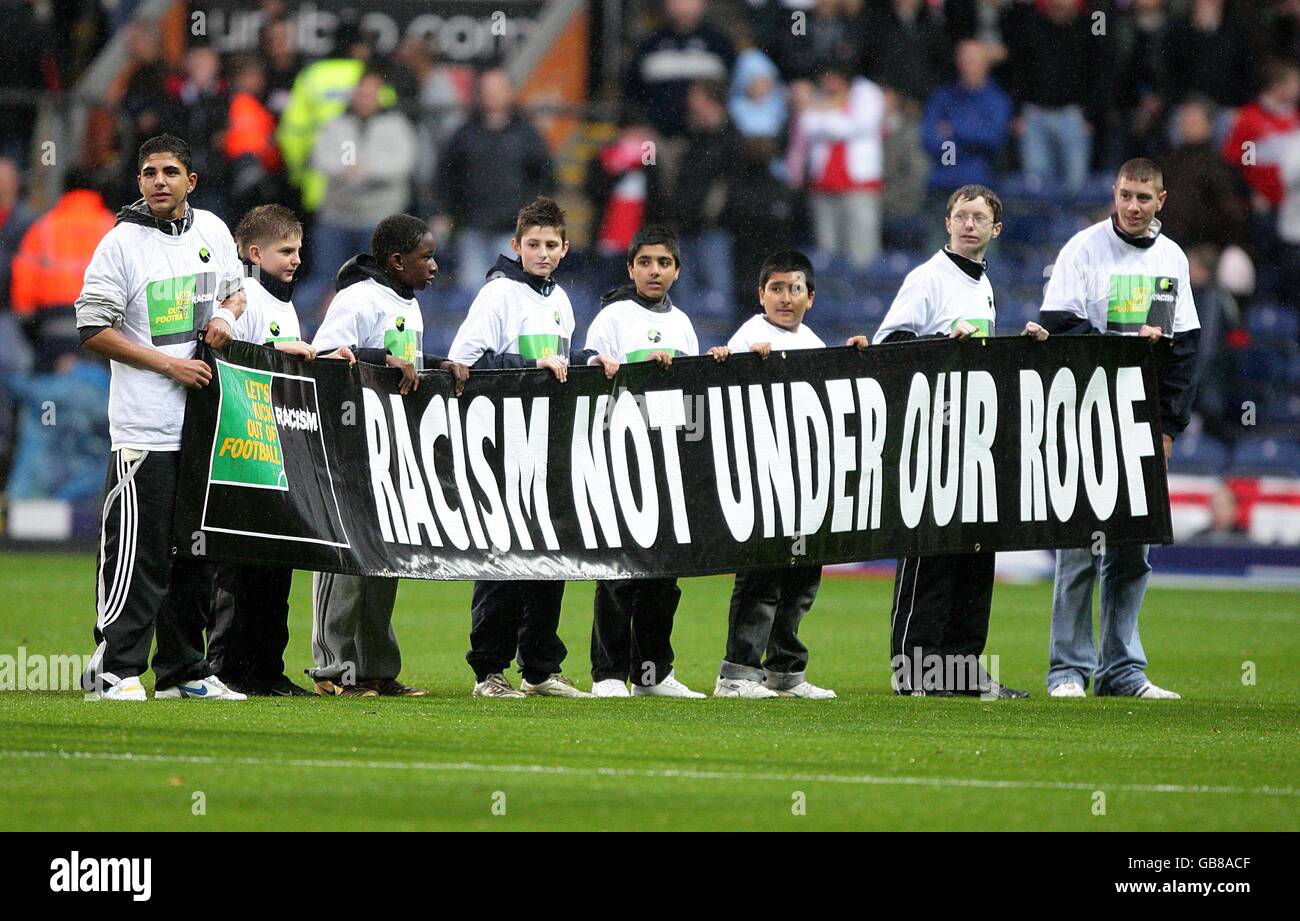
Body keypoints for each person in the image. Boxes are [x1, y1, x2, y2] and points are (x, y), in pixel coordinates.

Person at [74, 134, 247, 701]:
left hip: (202, 427)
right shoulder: (120, 244)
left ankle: (184, 671)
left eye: (170, 172)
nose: (158, 182)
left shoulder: (214, 231)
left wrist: (223, 314)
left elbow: (237, 293)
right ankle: (115, 670)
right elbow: (93, 329)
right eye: (148, 173)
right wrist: (169, 367)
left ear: (190, 181)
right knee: (138, 554)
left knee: (194, 555)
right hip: (145, 427)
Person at [1039, 159, 1200, 700]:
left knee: (1133, 553)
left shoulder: (1171, 257)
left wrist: (1169, 426)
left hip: (1140, 423)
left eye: (1144, 198)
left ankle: (1121, 671)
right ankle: (1067, 669)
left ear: (1162, 200)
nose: (1133, 207)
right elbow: (1058, 323)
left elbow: (1185, 352)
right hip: (1083, 416)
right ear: (1114, 193)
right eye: (1126, 195)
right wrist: (1129, 342)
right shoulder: (1082, 250)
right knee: (1079, 547)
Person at [874, 184, 1042, 698]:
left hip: (977, 441)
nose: (969, 224)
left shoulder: (983, 283)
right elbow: (888, 347)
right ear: (947, 223)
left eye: (979, 217)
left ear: (997, 229)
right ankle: (914, 672)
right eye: (961, 215)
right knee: (930, 555)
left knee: (973, 558)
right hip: (933, 441)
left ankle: (961, 669)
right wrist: (941, 345)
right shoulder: (927, 278)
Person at [448, 197, 617, 698]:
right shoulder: (499, 295)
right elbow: (463, 364)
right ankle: (489, 671)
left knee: (549, 557)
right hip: (503, 445)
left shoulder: (560, 300)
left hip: (547, 445)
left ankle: (540, 667)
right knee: (502, 559)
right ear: (516, 246)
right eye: (533, 244)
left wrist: (591, 361)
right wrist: (527, 370)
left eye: (551, 245)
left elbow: (558, 366)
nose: (542, 253)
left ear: (565, 249)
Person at [309, 214, 467, 698]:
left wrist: (439, 365)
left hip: (391, 448)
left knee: (385, 559)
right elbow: (322, 355)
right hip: (349, 447)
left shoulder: (408, 303)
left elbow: (404, 367)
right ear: (397, 261)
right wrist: (381, 359)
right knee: (348, 558)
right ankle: (333, 669)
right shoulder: (358, 298)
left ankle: (376, 669)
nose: (435, 266)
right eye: (426, 257)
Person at [709, 250, 867, 699]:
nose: (784, 297)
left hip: (805, 483)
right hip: (763, 481)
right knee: (762, 578)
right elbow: (720, 393)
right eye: (775, 288)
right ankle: (737, 673)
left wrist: (853, 359)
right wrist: (740, 363)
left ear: (810, 297)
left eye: (794, 288)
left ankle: (785, 672)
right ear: (761, 295)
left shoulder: (816, 346)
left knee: (800, 580)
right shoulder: (749, 337)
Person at [583, 225, 714, 699]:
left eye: (663, 263)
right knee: (620, 572)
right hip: (622, 457)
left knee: (664, 575)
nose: (654, 271)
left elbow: (693, 396)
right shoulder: (612, 318)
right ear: (630, 267)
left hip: (669, 461)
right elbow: (590, 378)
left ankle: (653, 674)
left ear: (677, 271)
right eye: (645, 262)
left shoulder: (683, 325)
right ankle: (608, 675)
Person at [207, 204, 317, 697]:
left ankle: (267, 669)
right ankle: (227, 667)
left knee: (276, 566)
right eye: (285, 251)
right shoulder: (245, 297)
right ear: (255, 253)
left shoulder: (283, 303)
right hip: (241, 452)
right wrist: (281, 355)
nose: (295, 259)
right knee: (240, 568)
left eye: (297, 249)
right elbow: (225, 358)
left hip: (277, 453)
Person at [299, 69, 417, 317]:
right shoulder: (336, 124)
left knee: (379, 284)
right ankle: (325, 341)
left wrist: (366, 171)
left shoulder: (396, 125)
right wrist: (346, 169)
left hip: (378, 221)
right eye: (361, 92)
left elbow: (402, 163)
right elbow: (321, 157)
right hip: (336, 217)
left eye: (371, 93)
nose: (365, 98)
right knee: (330, 283)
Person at [437, 69, 554, 288]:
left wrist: (533, 216)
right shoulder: (465, 133)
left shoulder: (526, 134)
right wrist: (446, 211)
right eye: (486, 90)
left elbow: (545, 175)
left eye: (497, 90)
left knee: (512, 293)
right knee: (473, 295)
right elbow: (447, 175)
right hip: (473, 227)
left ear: (510, 92)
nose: (492, 96)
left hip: (512, 231)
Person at [789, 61, 886, 269]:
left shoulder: (868, 93)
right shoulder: (819, 95)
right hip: (823, 183)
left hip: (859, 182)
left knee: (862, 253)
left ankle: (864, 299)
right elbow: (806, 124)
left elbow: (858, 126)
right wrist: (837, 114)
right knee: (827, 252)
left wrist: (824, 115)